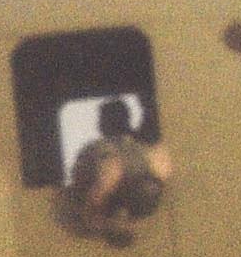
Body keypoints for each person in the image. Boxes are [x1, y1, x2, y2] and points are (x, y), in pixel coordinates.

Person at [65, 98, 173, 238]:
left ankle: (108, 216)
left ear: (102, 123)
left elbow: (108, 176)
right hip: (122, 200)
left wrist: (92, 208)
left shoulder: (96, 148)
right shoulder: (142, 150)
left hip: (103, 202)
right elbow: (161, 171)